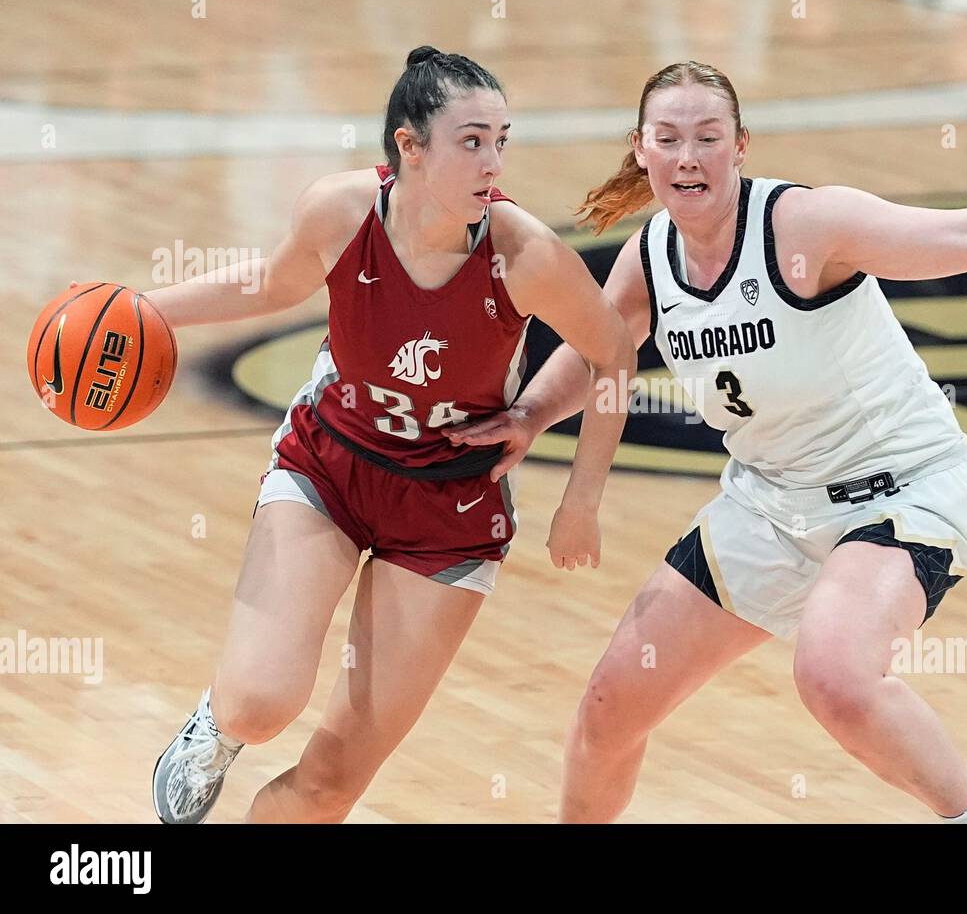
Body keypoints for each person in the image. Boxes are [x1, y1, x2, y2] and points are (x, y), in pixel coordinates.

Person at [445, 60, 967, 823]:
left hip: (899, 488)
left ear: (741, 145)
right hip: (769, 503)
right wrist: (528, 416)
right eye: (671, 138)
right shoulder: (651, 257)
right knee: (610, 707)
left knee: (835, 676)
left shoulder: (803, 225)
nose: (690, 157)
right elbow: (597, 352)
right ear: (642, 148)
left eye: (710, 137)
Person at [144, 46, 635, 823]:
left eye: (502, 140)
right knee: (260, 702)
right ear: (410, 146)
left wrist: (576, 487)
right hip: (331, 467)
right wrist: (146, 307)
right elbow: (270, 283)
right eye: (471, 141)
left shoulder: (525, 255)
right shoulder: (340, 212)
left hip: (450, 510)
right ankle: (218, 724)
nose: (492, 162)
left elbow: (612, 350)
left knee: (333, 784)